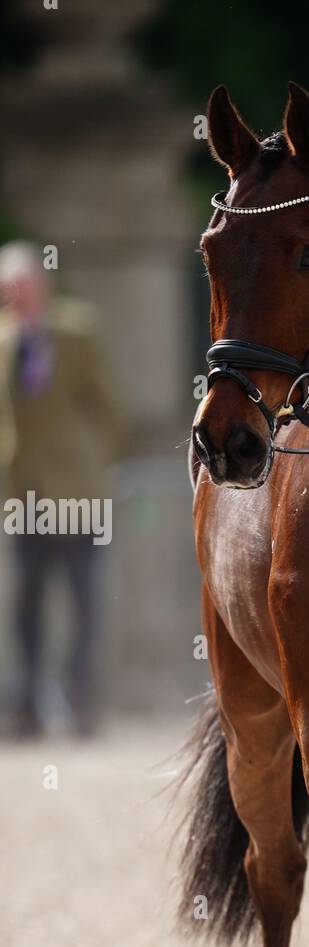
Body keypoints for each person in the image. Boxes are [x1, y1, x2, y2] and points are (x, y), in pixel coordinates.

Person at [0, 241, 129, 738]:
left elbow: (109, 406)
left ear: (43, 284)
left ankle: (83, 709)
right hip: (25, 492)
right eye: (11, 288)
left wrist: (101, 465)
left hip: (79, 494)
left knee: (83, 607)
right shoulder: (5, 338)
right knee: (25, 609)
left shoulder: (77, 331)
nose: (18, 296)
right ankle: (26, 711)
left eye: (25, 285)